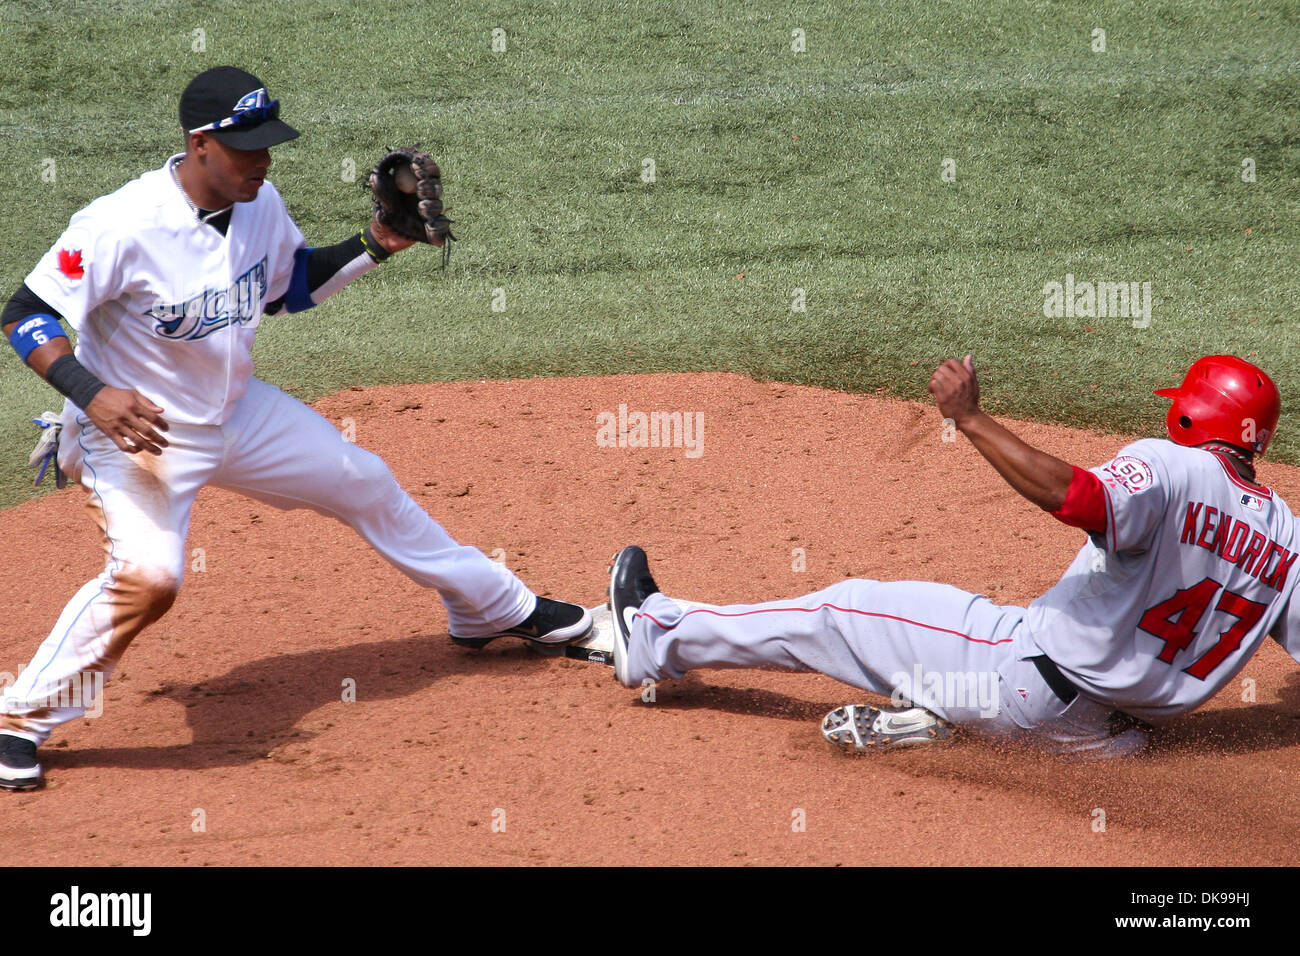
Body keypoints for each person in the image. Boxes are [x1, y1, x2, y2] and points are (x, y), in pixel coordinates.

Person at [0, 66, 591, 791]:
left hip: (239, 413)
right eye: (247, 148)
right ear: (200, 144)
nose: (263, 161)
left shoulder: (260, 202)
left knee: (364, 480)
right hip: (138, 434)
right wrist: (90, 394)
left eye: (268, 145)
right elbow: (24, 314)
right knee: (150, 579)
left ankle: (490, 608)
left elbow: (287, 288)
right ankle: (20, 718)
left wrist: (377, 241)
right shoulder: (121, 224)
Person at [607, 354, 1300, 758]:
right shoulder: (1287, 538)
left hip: (1031, 687)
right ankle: (941, 712)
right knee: (975, 652)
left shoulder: (1171, 468)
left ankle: (652, 638)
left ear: (1188, 417)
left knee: (839, 612)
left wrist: (968, 418)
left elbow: (1081, 498)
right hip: (1118, 741)